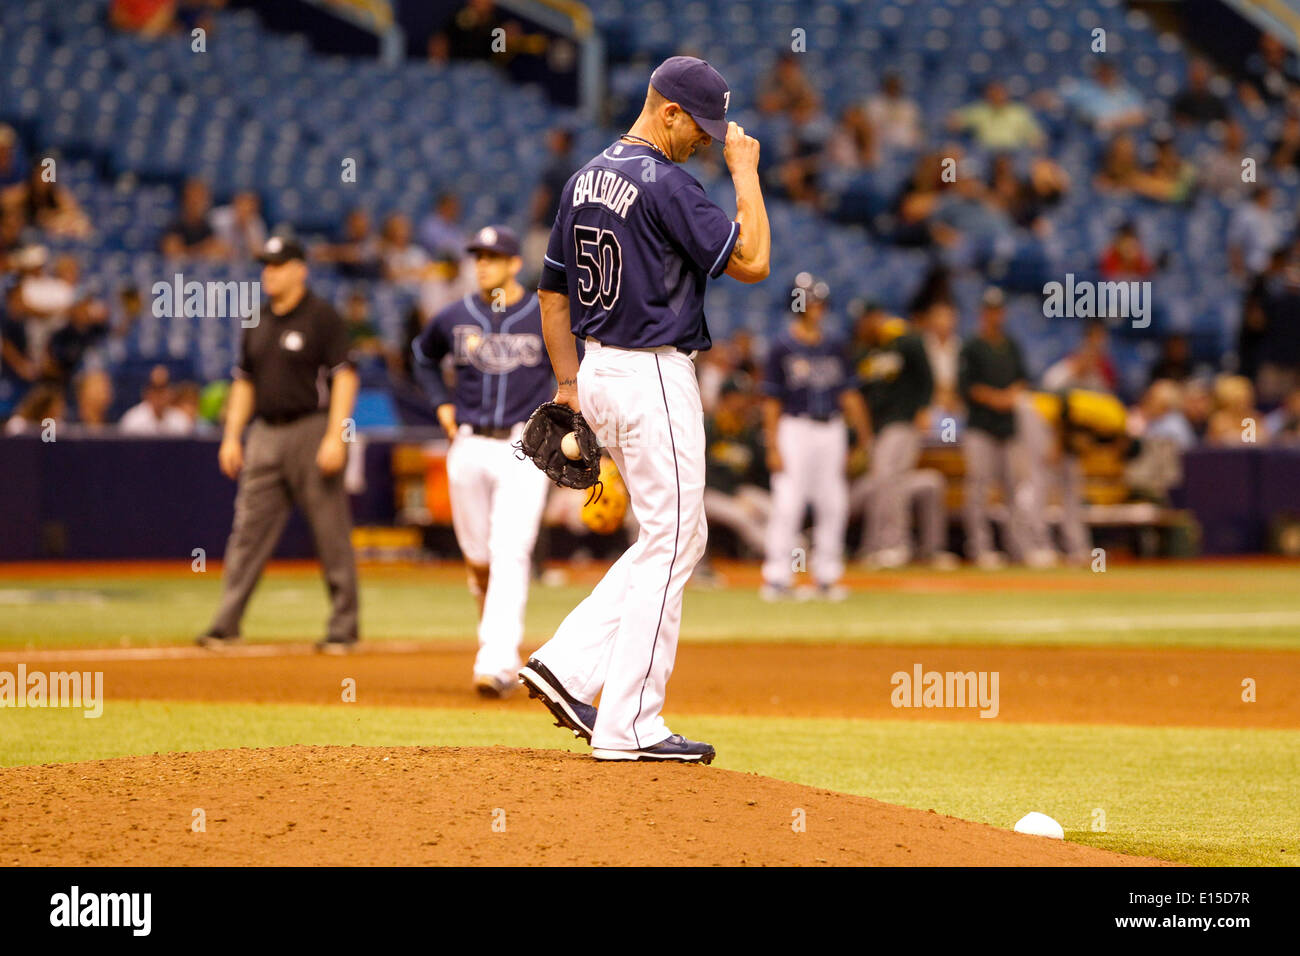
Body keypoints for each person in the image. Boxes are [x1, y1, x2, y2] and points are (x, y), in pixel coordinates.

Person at [523, 56, 770, 764]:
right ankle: (629, 723)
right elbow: (752, 260)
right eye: (701, 126)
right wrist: (746, 172)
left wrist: (569, 386)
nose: (708, 139)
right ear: (667, 112)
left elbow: (550, 295)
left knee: (671, 537)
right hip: (652, 371)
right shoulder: (665, 182)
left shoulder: (582, 179)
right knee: (674, 539)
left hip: (599, 368)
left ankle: (567, 666)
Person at [197, 236, 361, 653]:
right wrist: (233, 435)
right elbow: (244, 381)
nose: (269, 272)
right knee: (247, 531)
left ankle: (344, 627)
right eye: (265, 265)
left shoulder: (322, 317)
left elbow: (345, 376)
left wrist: (335, 435)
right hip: (265, 433)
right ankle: (226, 623)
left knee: (330, 531)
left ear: (299, 270)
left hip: (311, 428)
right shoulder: (257, 320)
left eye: (277, 264)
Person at [411, 226, 554, 697]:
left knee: (510, 551)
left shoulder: (545, 315)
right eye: (478, 257)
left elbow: (573, 369)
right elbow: (422, 356)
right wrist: (440, 404)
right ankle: (498, 647)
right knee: (479, 560)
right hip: (468, 445)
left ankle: (495, 661)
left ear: (515, 264)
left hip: (521, 446)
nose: (483, 264)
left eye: (493, 257)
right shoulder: (455, 316)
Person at [759, 273, 869, 599]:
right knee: (788, 501)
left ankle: (827, 575)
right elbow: (771, 402)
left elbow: (849, 395)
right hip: (794, 428)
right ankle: (778, 576)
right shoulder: (781, 347)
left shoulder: (835, 346)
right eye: (811, 302)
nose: (817, 307)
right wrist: (772, 444)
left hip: (831, 428)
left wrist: (863, 437)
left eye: (820, 302)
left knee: (832, 501)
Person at [851, 300, 955, 569]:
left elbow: (927, 376)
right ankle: (876, 545)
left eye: (868, 319)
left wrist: (923, 407)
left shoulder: (906, 340)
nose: (865, 325)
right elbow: (862, 395)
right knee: (884, 482)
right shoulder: (865, 351)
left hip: (903, 421)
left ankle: (895, 544)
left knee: (890, 480)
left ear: (878, 316)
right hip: (879, 428)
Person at [959, 288, 1037, 568]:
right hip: (981, 426)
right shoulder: (972, 346)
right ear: (982, 313)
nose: (994, 315)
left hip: (1007, 427)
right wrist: (997, 398)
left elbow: (1023, 379)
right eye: (989, 310)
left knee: (1013, 490)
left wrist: (1010, 396)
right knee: (979, 489)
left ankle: (1018, 547)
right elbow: (966, 387)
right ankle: (980, 548)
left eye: (998, 310)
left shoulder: (1011, 345)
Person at [119, 364, 192, 435]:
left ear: (170, 392)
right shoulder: (132, 421)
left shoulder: (181, 421)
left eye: (163, 389)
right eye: (155, 389)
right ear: (146, 392)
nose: (159, 395)